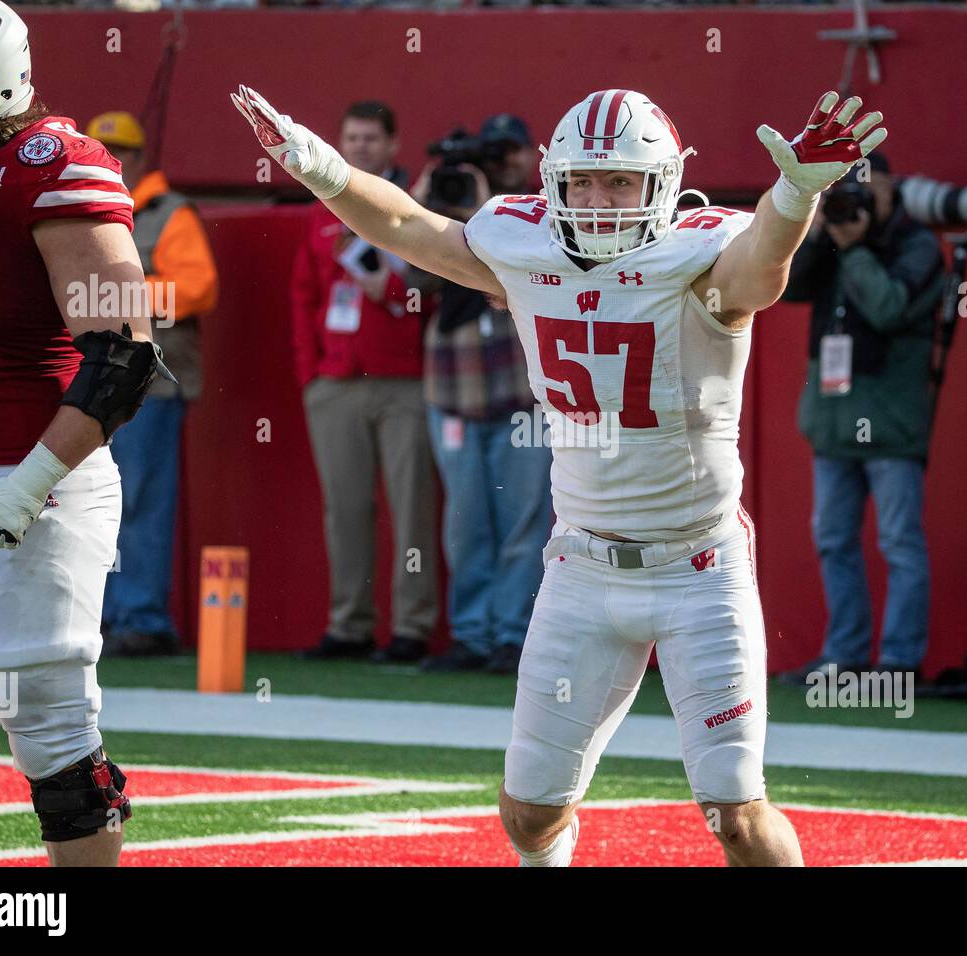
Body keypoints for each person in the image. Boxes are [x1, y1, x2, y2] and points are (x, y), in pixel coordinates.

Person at [233, 83, 886, 866]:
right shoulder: (523, 244)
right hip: (580, 566)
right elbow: (410, 226)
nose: (598, 199)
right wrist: (318, 165)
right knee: (529, 816)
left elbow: (760, 272)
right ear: (553, 182)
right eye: (581, 179)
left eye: (619, 181)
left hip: (699, 569)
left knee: (737, 816)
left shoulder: (697, 256)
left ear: (664, 187)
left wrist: (791, 196)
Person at [0, 0, 164, 866]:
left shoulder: (51, 162)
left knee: (50, 731)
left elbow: (123, 355)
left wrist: (24, 486)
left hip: (39, 479)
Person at [775, 154, 945, 684]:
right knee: (833, 540)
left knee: (898, 542)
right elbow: (788, 286)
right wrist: (817, 226)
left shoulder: (919, 246)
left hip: (891, 426)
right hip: (833, 424)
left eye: (867, 188)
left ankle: (898, 663)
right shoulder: (834, 231)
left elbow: (889, 306)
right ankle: (844, 656)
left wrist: (855, 250)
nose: (857, 199)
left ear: (892, 188)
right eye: (844, 189)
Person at [290, 100, 439, 663]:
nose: (359, 148)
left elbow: (435, 291)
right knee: (345, 508)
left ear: (392, 145)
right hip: (335, 382)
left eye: (371, 139)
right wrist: (311, 375)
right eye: (351, 138)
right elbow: (304, 296)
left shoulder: (412, 208)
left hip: (403, 381)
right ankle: (349, 624)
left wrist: (397, 295)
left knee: (411, 505)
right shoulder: (320, 210)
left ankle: (411, 627)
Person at [415, 114, 553, 676]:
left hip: (522, 393)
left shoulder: (542, 213)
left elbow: (522, 266)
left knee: (524, 522)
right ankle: (471, 635)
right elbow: (410, 279)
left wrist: (481, 208)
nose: (502, 165)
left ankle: (514, 636)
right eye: (492, 156)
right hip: (453, 388)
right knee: (465, 522)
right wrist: (425, 204)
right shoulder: (441, 214)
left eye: (510, 153)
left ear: (531, 156)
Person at [86, 110, 219, 657]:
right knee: (91, 504)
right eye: (101, 149)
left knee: (139, 500)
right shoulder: (84, 211)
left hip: (151, 383)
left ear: (143, 157)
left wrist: (116, 294)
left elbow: (197, 290)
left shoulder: (167, 213)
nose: (114, 160)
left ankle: (142, 617)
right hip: (88, 385)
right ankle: (103, 618)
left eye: (122, 151)